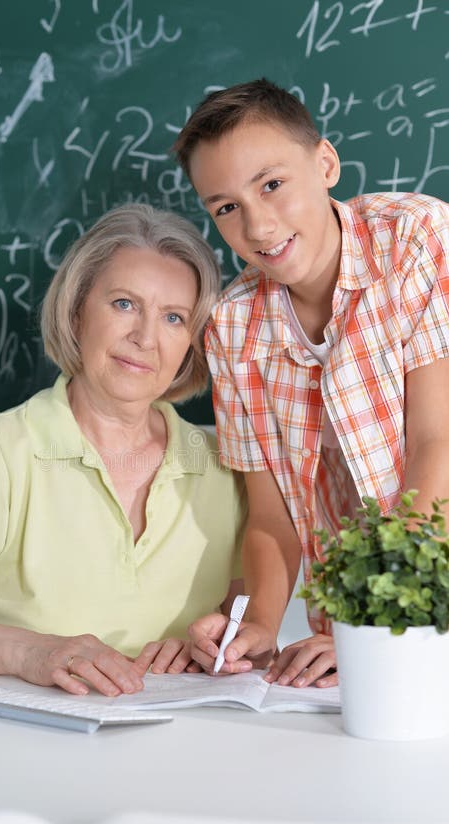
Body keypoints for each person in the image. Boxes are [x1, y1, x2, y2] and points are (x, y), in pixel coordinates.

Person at [0, 204, 246, 696]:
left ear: (191, 342)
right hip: (26, 738)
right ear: (77, 307)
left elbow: (247, 636)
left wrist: (215, 646)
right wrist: (32, 653)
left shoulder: (225, 464)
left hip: (185, 737)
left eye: (174, 318)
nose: (145, 338)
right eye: (124, 304)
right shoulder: (3, 450)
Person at [173, 78, 449, 687]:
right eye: (226, 208)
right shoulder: (232, 327)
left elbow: (437, 443)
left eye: (271, 184)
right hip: (355, 632)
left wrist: (377, 623)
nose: (258, 225)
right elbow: (271, 516)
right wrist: (259, 625)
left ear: (325, 164)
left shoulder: (416, 238)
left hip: (413, 605)